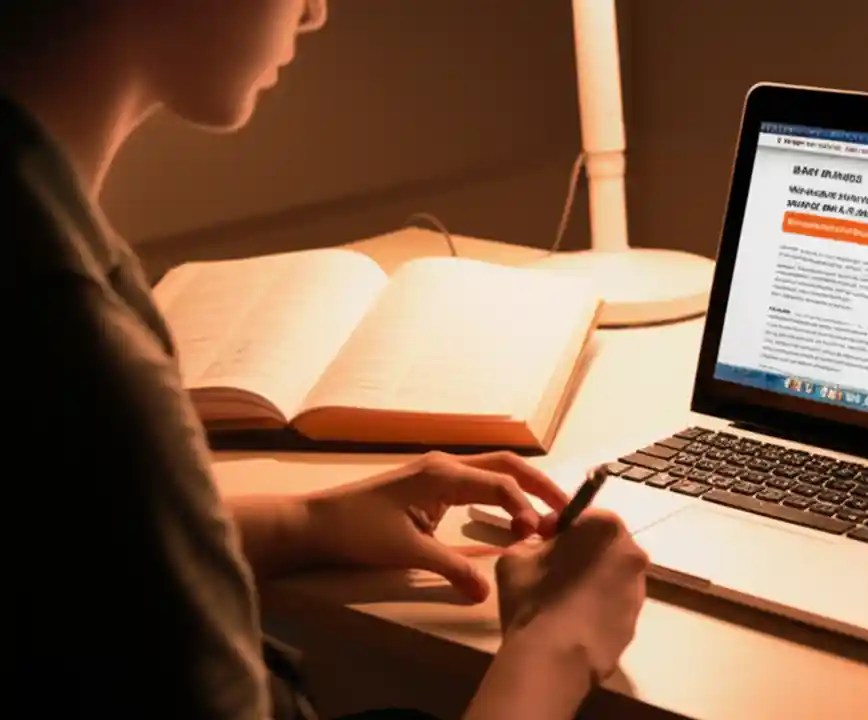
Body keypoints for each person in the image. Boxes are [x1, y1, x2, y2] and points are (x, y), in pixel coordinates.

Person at [4, 2, 648, 718]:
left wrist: (304, 521)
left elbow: (62, 550)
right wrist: (554, 646)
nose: (314, 11)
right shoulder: (71, 346)